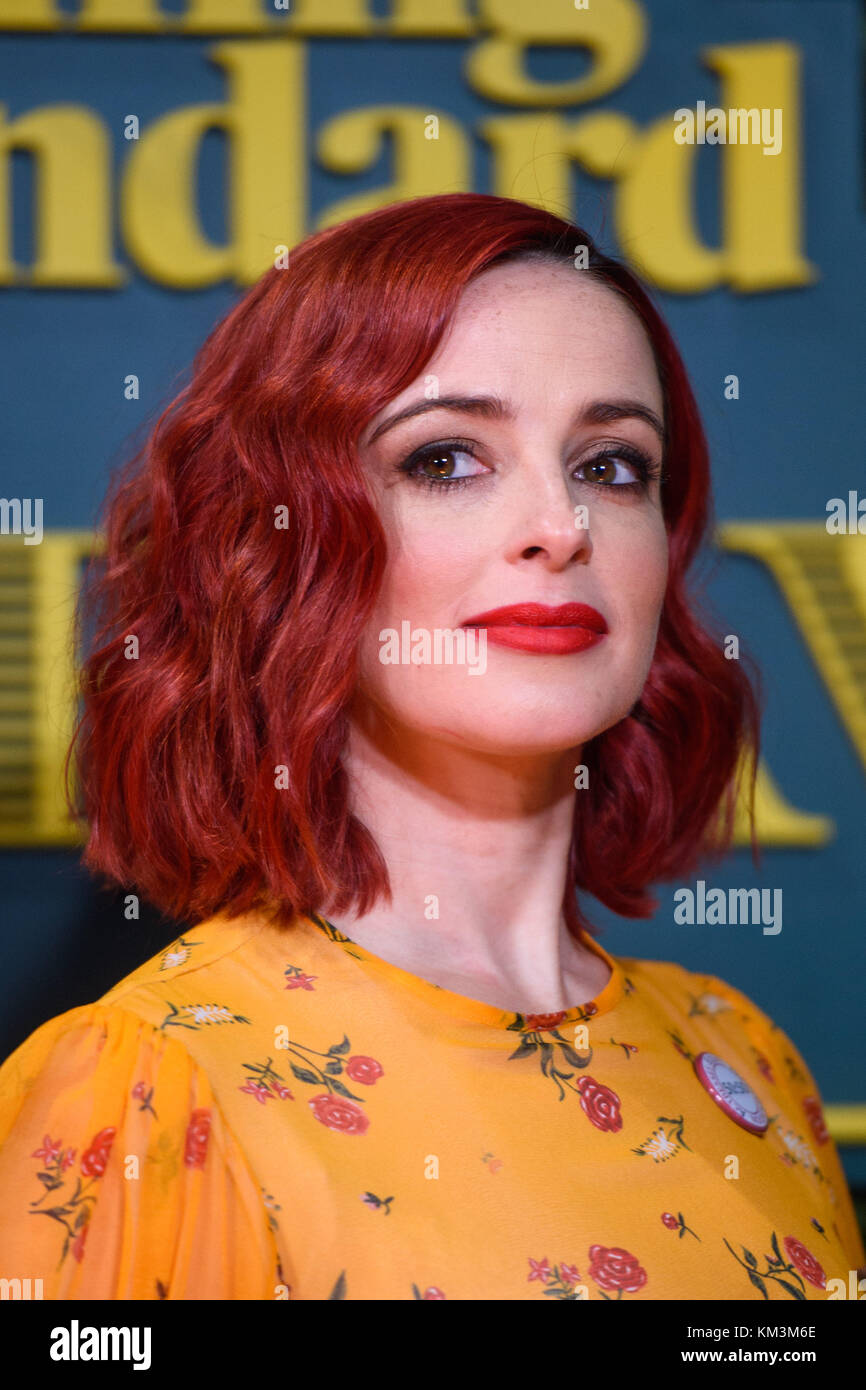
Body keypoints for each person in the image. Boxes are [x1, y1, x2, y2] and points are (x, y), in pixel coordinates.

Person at [0, 193, 862, 1301]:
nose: (561, 524)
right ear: (279, 543)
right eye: (446, 458)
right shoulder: (152, 1088)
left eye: (610, 464)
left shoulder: (746, 1060)